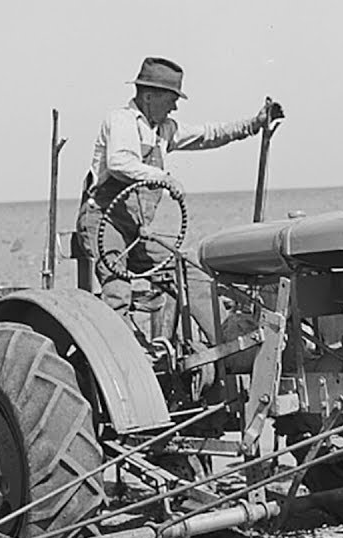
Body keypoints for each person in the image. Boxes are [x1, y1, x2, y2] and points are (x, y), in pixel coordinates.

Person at [75, 56, 282, 345]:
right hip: (104, 222)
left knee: (187, 269)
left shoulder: (164, 129)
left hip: (136, 231)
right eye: (171, 99)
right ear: (148, 96)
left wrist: (254, 124)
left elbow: (208, 135)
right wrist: (164, 177)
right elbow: (120, 161)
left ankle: (230, 343)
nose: (175, 106)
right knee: (118, 288)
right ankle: (128, 359)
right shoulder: (121, 121)